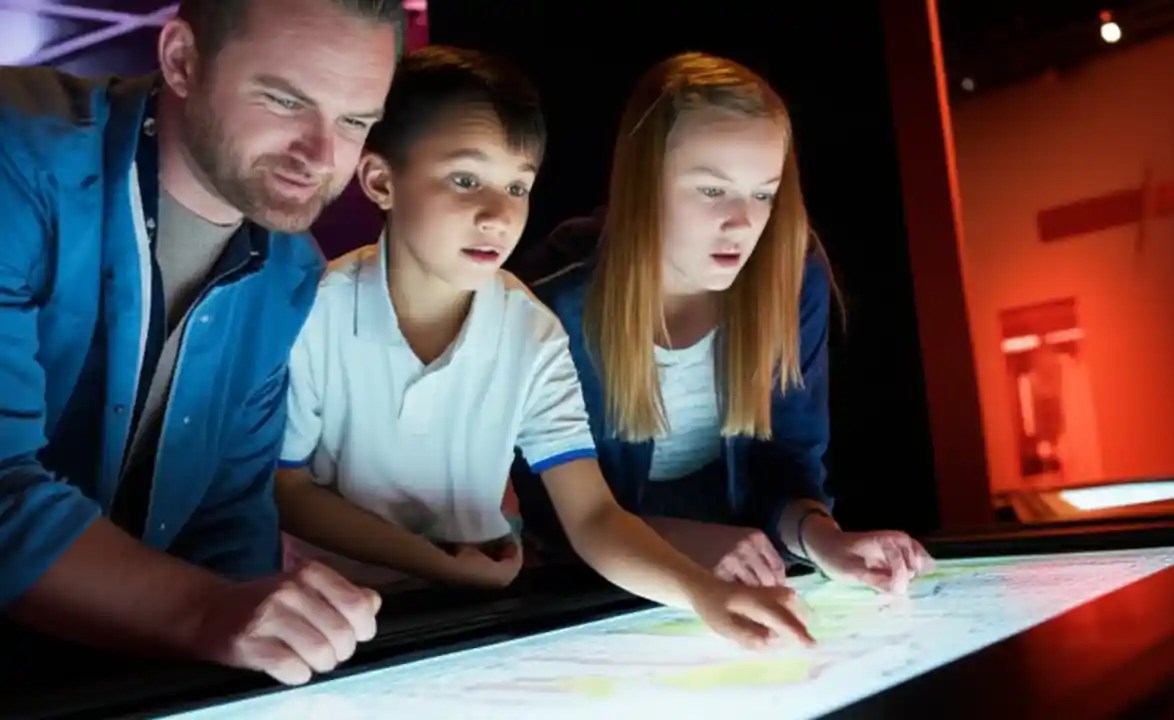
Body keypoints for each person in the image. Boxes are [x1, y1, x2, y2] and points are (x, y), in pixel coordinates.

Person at [274, 46, 815, 650]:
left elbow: (592, 514)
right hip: (329, 620)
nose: (497, 214)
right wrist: (436, 559)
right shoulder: (314, 314)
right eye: (464, 179)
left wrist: (701, 593)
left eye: (517, 185)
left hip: (483, 616)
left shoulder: (530, 332)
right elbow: (287, 490)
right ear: (380, 180)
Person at [0, 0, 402, 687]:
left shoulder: (290, 269)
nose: (323, 156)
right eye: (284, 100)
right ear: (182, 59)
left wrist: (270, 648)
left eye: (355, 121)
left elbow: (228, 513)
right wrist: (207, 614)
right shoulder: (18, 151)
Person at [513, 52, 934, 593]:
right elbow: (542, 505)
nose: (743, 221)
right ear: (643, 181)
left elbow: (784, 462)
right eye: (713, 190)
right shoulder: (551, 297)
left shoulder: (791, 274)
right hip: (590, 583)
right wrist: (679, 539)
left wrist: (824, 541)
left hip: (742, 565)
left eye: (763, 193)